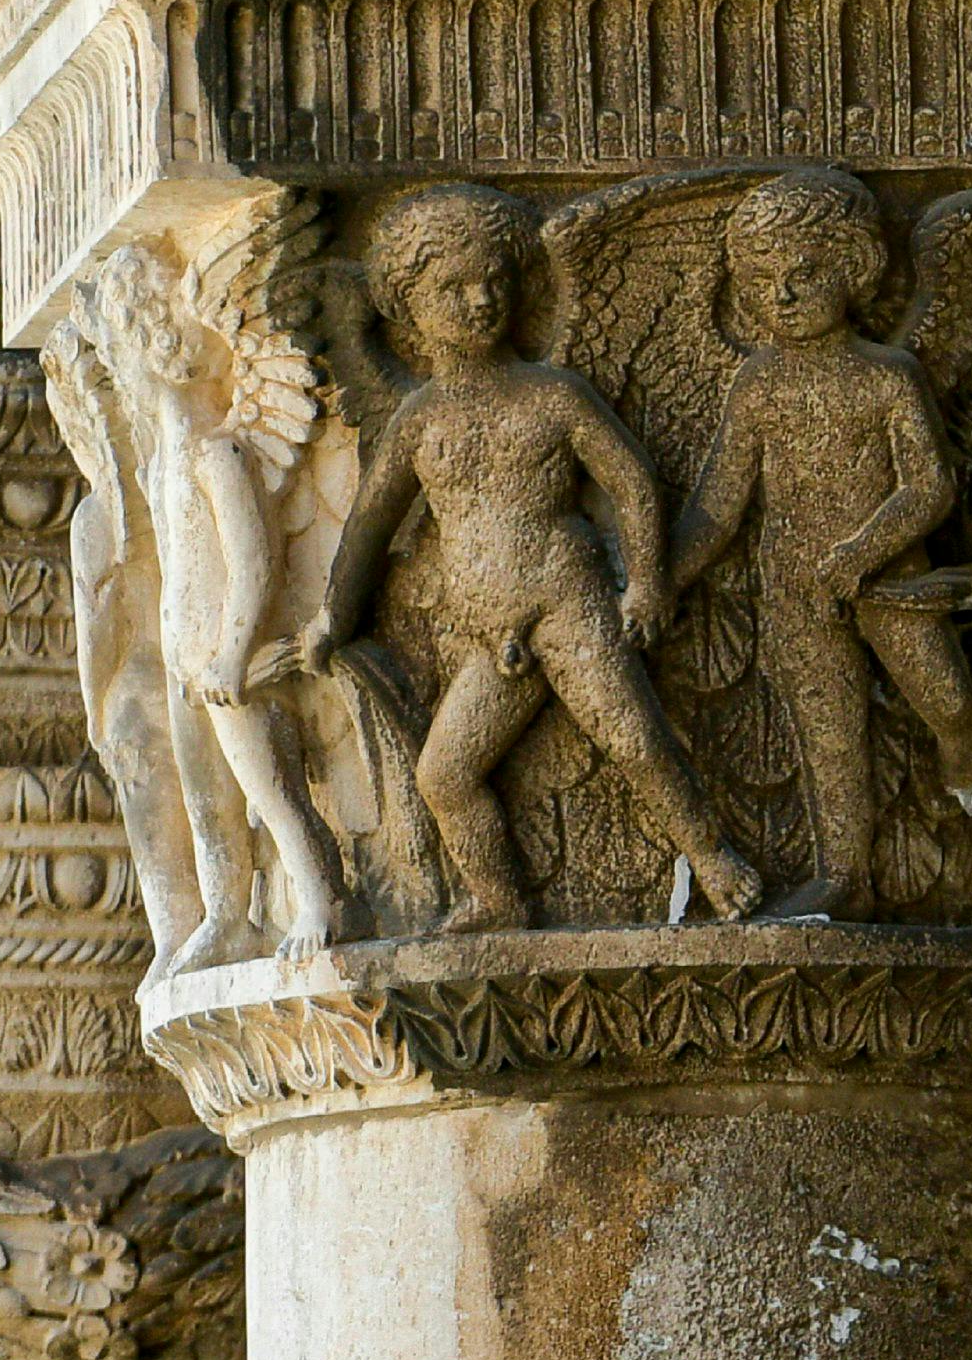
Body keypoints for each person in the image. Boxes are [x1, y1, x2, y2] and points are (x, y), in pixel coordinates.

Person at [324, 185, 760, 931]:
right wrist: (332, 619)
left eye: (494, 280)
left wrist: (649, 579)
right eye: (452, 289)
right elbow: (366, 528)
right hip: (490, 638)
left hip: (568, 601)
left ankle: (715, 858)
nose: (480, 301)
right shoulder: (418, 419)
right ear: (409, 306)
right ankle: (498, 897)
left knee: (633, 736)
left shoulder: (552, 395)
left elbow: (631, 481)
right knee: (445, 773)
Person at [672, 172, 972, 914]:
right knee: (830, 739)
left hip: (888, 577)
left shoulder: (887, 375)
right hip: (794, 586)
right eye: (763, 281)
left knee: (946, 700)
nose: (782, 296)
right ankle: (844, 875)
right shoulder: (758, 384)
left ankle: (970, 758)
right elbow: (719, 506)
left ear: (853, 269)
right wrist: (661, 578)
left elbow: (931, 486)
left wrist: (859, 554)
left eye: (804, 273)